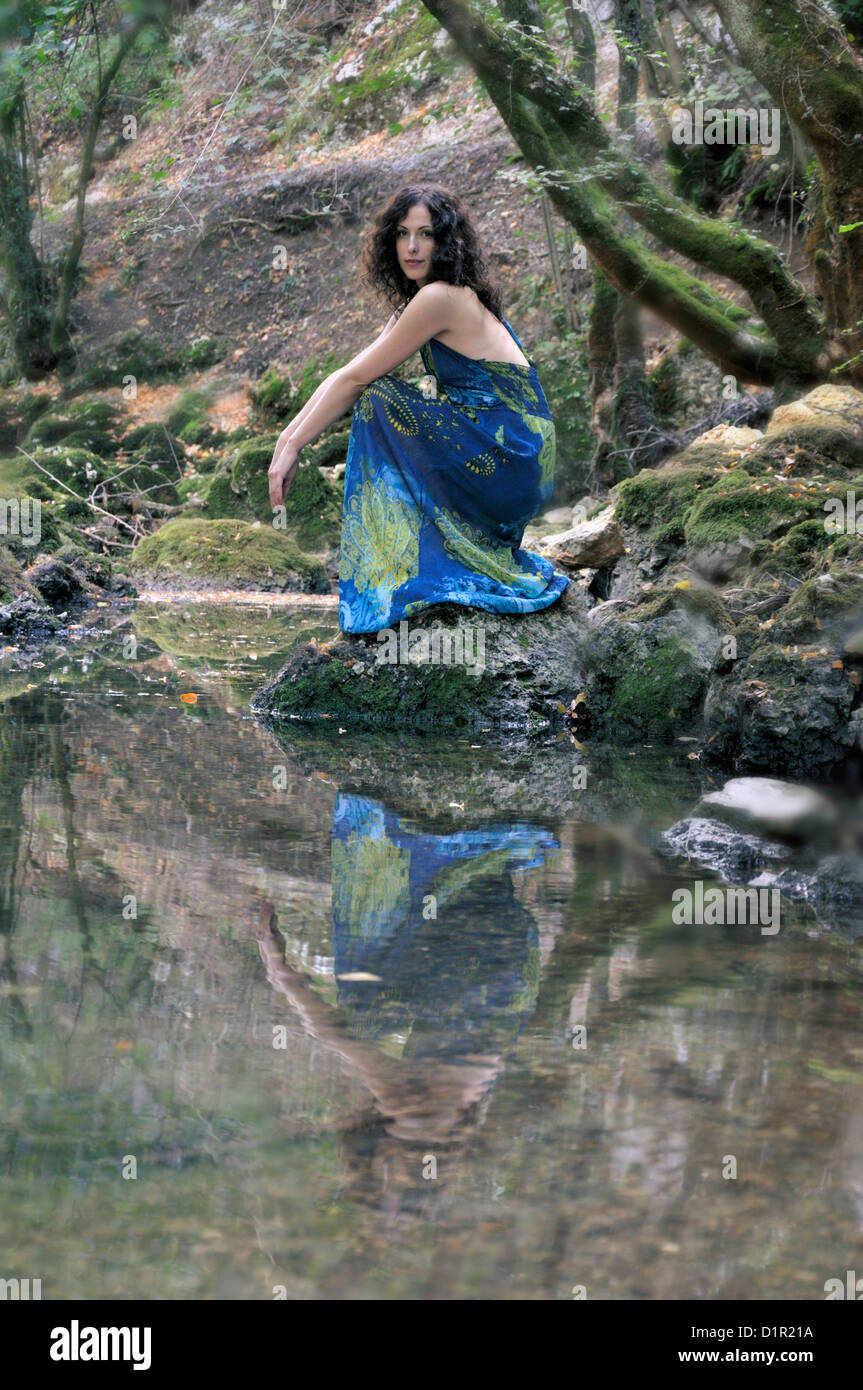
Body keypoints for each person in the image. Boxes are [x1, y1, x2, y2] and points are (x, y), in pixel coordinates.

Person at [268, 182, 570, 634]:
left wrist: (293, 445)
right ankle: (419, 565)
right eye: (403, 233)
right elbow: (347, 371)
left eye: (426, 234)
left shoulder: (440, 299)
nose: (412, 246)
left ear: (446, 241)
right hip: (515, 456)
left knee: (379, 400)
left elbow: (356, 382)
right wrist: (286, 439)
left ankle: (395, 579)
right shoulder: (432, 298)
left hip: (512, 456)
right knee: (380, 393)